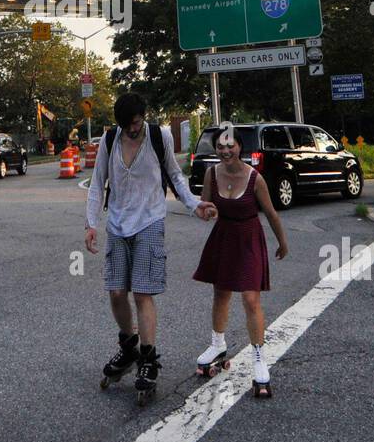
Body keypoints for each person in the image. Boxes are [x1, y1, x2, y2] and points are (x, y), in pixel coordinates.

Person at [85, 92, 217, 404]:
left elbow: (175, 175)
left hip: (150, 221)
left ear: (144, 116)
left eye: (137, 123)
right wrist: (91, 223)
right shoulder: (109, 141)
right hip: (118, 224)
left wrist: (194, 204)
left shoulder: (160, 136)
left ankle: (147, 357)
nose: (134, 130)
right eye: (128, 126)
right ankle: (129, 347)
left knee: (142, 293)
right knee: (116, 292)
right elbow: (96, 182)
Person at [192, 122, 290, 399]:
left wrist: (282, 242)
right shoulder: (211, 174)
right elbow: (204, 207)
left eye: (230, 145)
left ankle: (258, 357)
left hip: (248, 238)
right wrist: (206, 212)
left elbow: (270, 213)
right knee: (220, 294)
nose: (225, 150)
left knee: (250, 298)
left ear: (239, 147)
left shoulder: (254, 178)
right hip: (223, 236)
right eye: (220, 146)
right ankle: (217, 344)